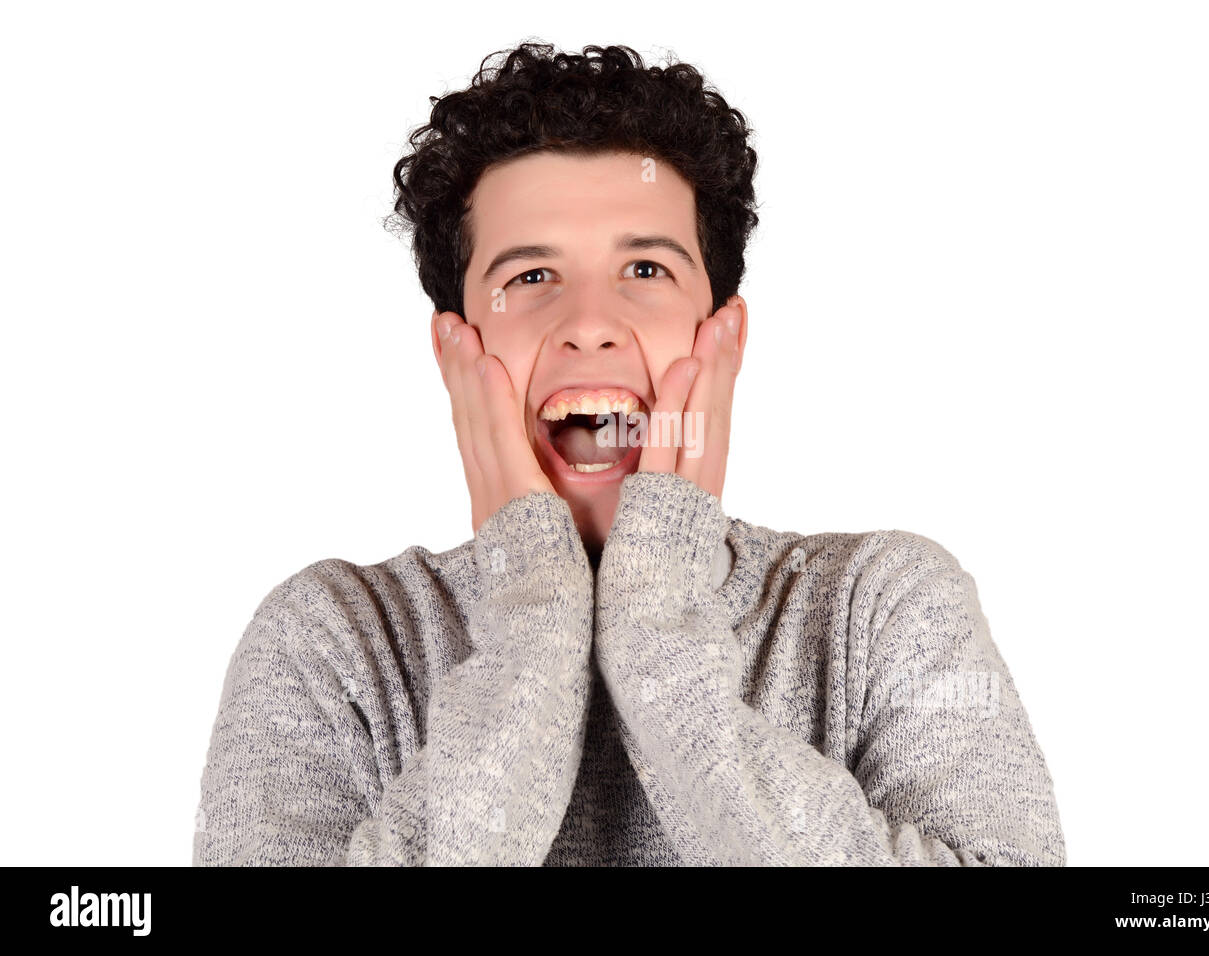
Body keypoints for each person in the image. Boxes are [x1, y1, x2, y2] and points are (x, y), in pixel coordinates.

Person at [192, 41, 1066, 866]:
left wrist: (658, 639)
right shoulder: (332, 641)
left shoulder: (880, 609)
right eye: (530, 278)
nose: (590, 327)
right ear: (455, 350)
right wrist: (534, 616)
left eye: (645, 271)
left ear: (722, 336)